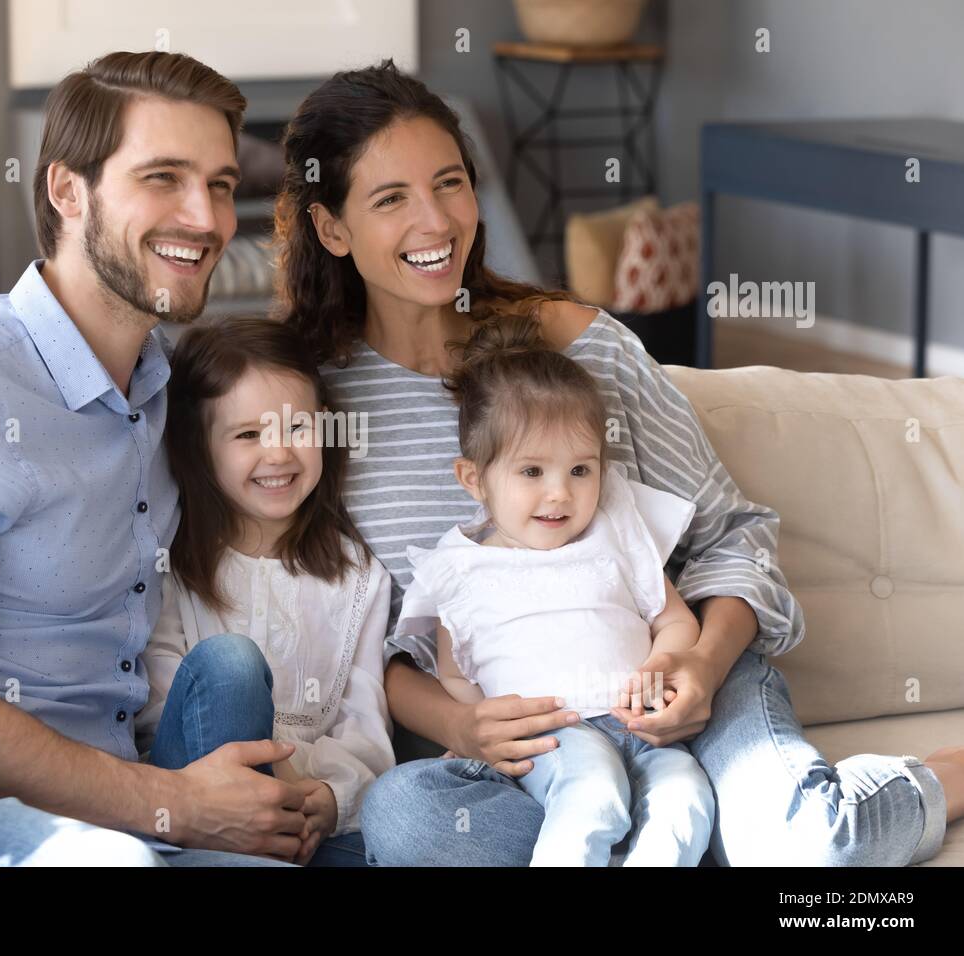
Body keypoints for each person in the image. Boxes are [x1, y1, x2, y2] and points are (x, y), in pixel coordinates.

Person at [273, 59, 958, 865]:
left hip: (670, 687)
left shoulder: (579, 345)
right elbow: (351, 635)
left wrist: (698, 666)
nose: (437, 221)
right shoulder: (311, 404)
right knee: (408, 822)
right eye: (391, 199)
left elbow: (732, 537)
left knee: (810, 850)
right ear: (332, 228)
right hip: (515, 751)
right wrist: (460, 725)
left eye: (450, 183)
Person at [0, 51, 310, 867]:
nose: (207, 219)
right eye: (164, 178)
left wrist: (267, 792)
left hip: (107, 789)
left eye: (218, 183)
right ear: (68, 192)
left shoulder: (169, 390)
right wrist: (172, 802)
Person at [398, 316, 713, 865]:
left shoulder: (615, 530)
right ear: (473, 479)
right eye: (531, 472)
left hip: (643, 724)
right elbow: (455, 675)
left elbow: (677, 621)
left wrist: (662, 663)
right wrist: (475, 729)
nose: (559, 493)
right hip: (554, 734)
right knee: (594, 796)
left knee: (687, 799)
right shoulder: (459, 569)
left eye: (579, 469)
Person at [138, 316, 394, 866]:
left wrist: (329, 796)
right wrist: (269, 781)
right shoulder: (169, 564)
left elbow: (366, 724)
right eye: (249, 435)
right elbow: (161, 712)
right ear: (199, 447)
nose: (278, 454)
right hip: (198, 797)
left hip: (313, 820)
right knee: (230, 663)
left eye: (296, 428)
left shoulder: (358, 576)